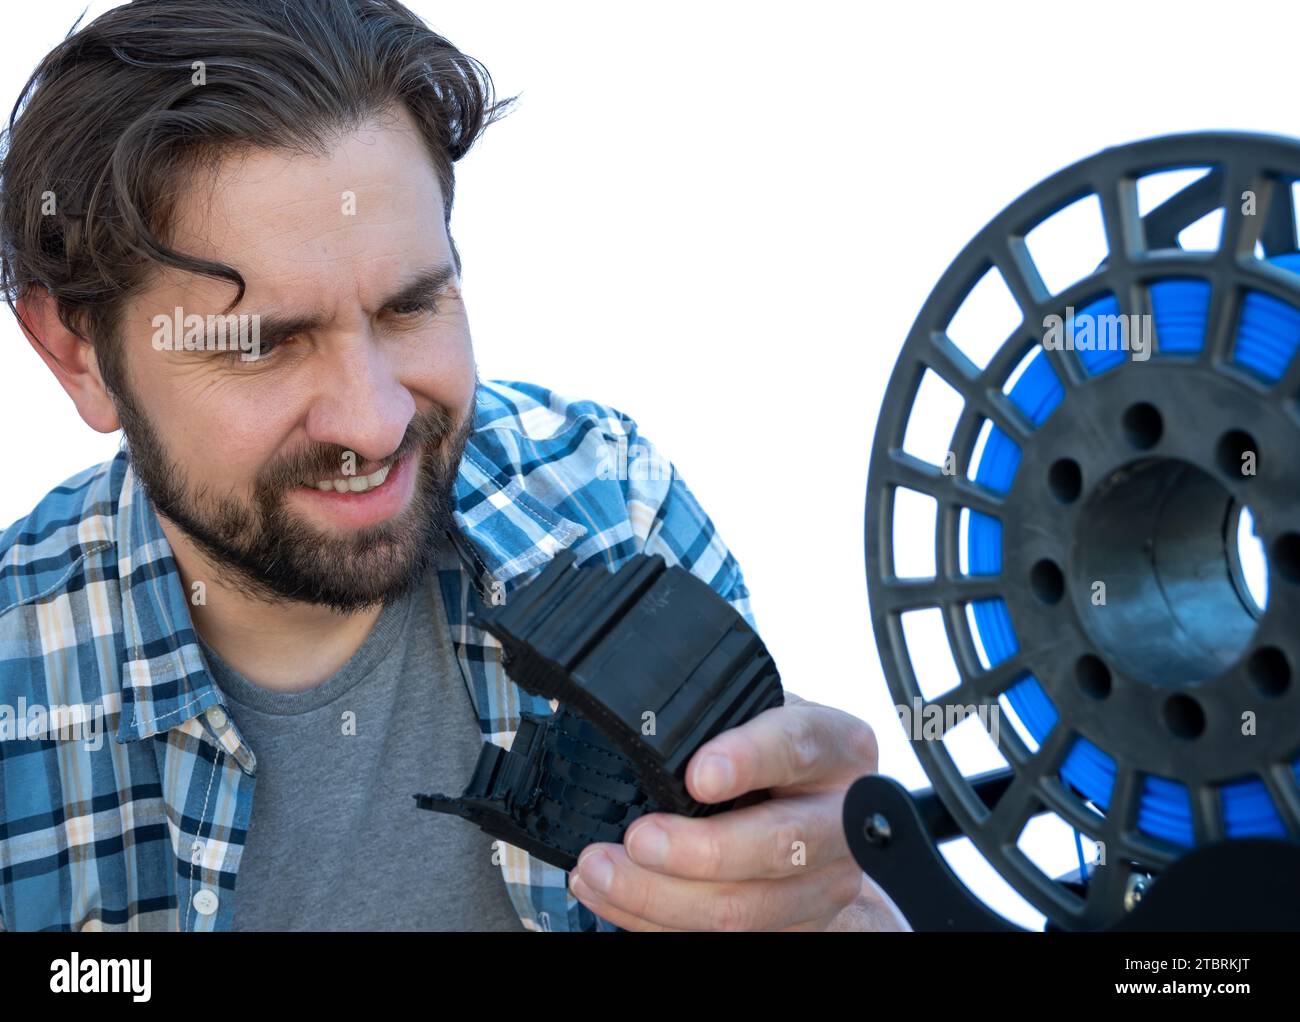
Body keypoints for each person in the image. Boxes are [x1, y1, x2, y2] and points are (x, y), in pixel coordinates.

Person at [0, 0, 903, 932]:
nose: (378, 421)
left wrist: (839, 910)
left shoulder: (610, 501)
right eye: (265, 345)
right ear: (77, 352)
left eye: (410, 308)